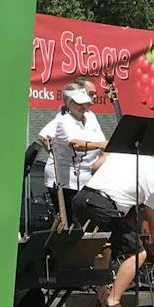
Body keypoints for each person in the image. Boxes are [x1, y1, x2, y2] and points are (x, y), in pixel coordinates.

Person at [71, 153, 154, 307]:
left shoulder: (126, 155)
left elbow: (95, 165)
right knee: (139, 254)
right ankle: (113, 303)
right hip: (102, 205)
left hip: (82, 199)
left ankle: (102, 300)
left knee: (104, 250)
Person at [50, 83, 106, 217]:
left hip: (88, 179)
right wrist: (99, 145)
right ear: (69, 103)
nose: (84, 106)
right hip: (66, 180)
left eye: (85, 102)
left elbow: (103, 142)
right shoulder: (62, 120)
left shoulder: (91, 117)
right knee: (71, 222)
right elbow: (74, 144)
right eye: (79, 103)